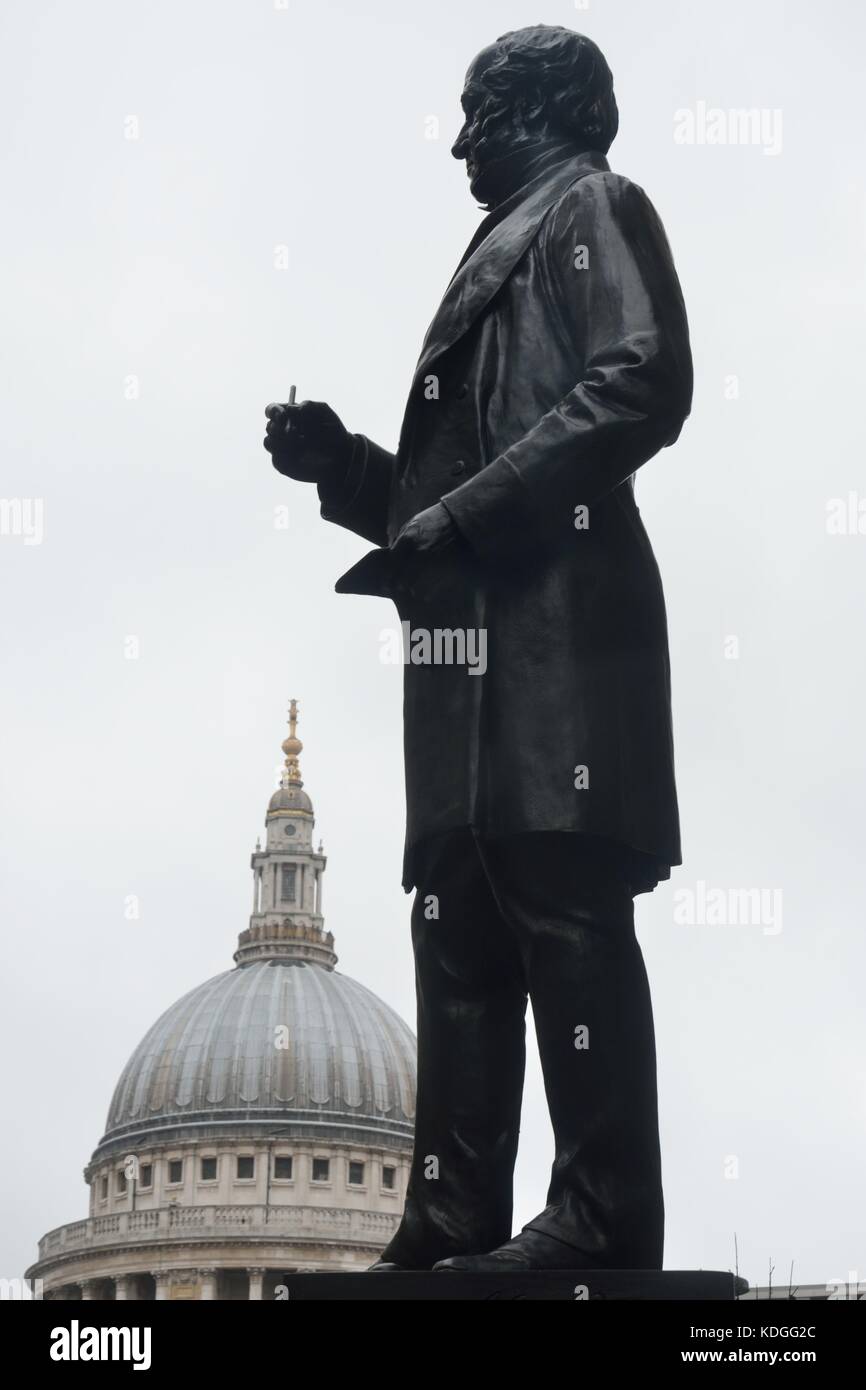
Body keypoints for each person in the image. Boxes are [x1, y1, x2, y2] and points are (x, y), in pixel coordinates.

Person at [264, 24, 692, 1272]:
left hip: (556, 637)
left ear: (549, 107)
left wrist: (463, 514)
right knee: (456, 922)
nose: (459, 138)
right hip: (463, 655)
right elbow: (451, 487)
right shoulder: (496, 246)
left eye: (479, 110)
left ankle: (603, 1216)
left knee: (560, 908)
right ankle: (450, 1215)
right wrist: (347, 468)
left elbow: (641, 379)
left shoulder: (592, 207)